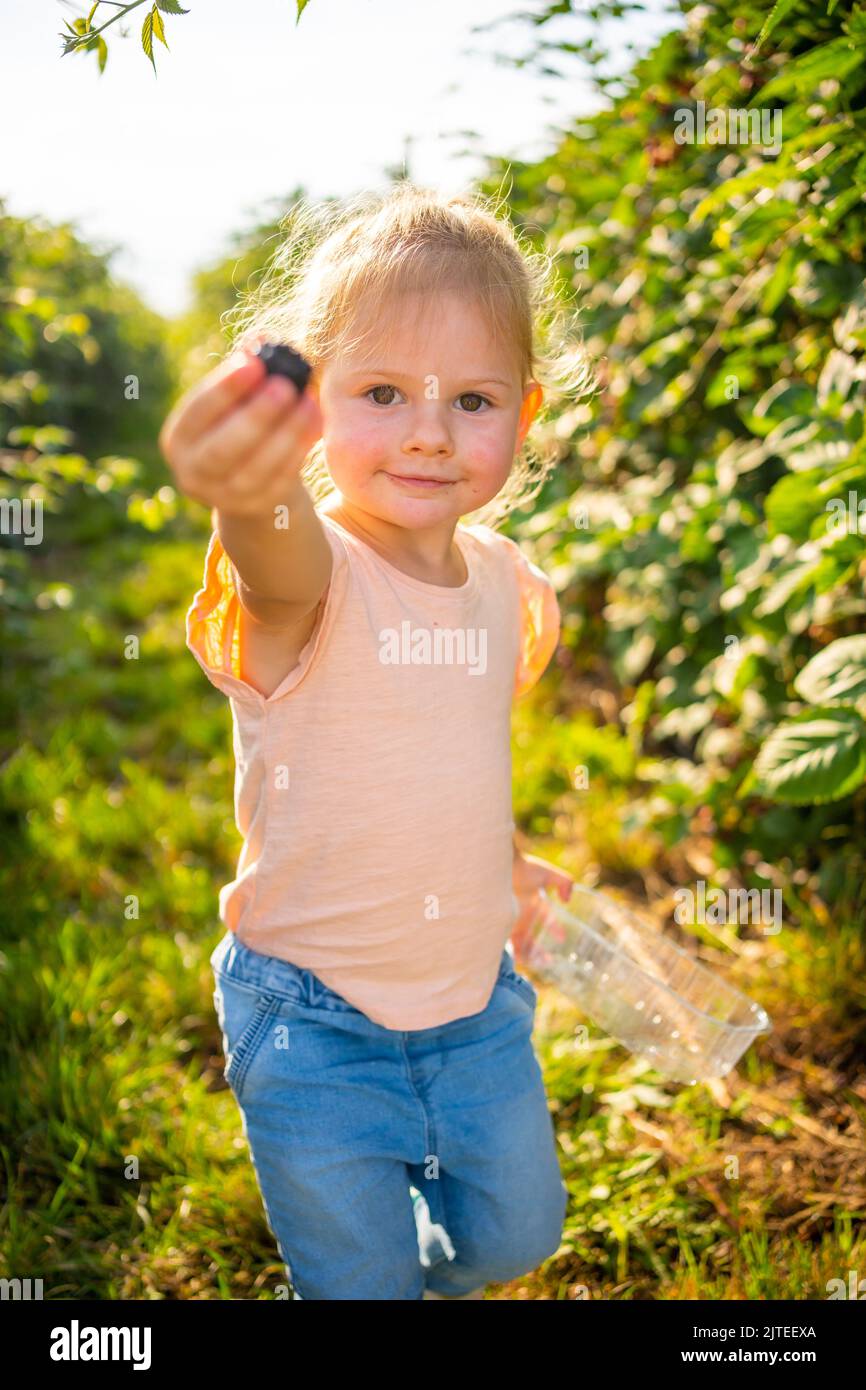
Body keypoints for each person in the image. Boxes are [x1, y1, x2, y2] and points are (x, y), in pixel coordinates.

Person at [159, 183, 589, 1300]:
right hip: (311, 1020)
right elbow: (277, 553)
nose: (430, 432)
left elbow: (450, 758)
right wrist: (248, 491)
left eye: (474, 399)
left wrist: (498, 862)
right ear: (317, 411)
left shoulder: (501, 584)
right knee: (359, 1281)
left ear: (524, 415)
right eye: (383, 392)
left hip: (471, 1001)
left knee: (515, 1236)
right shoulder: (316, 579)